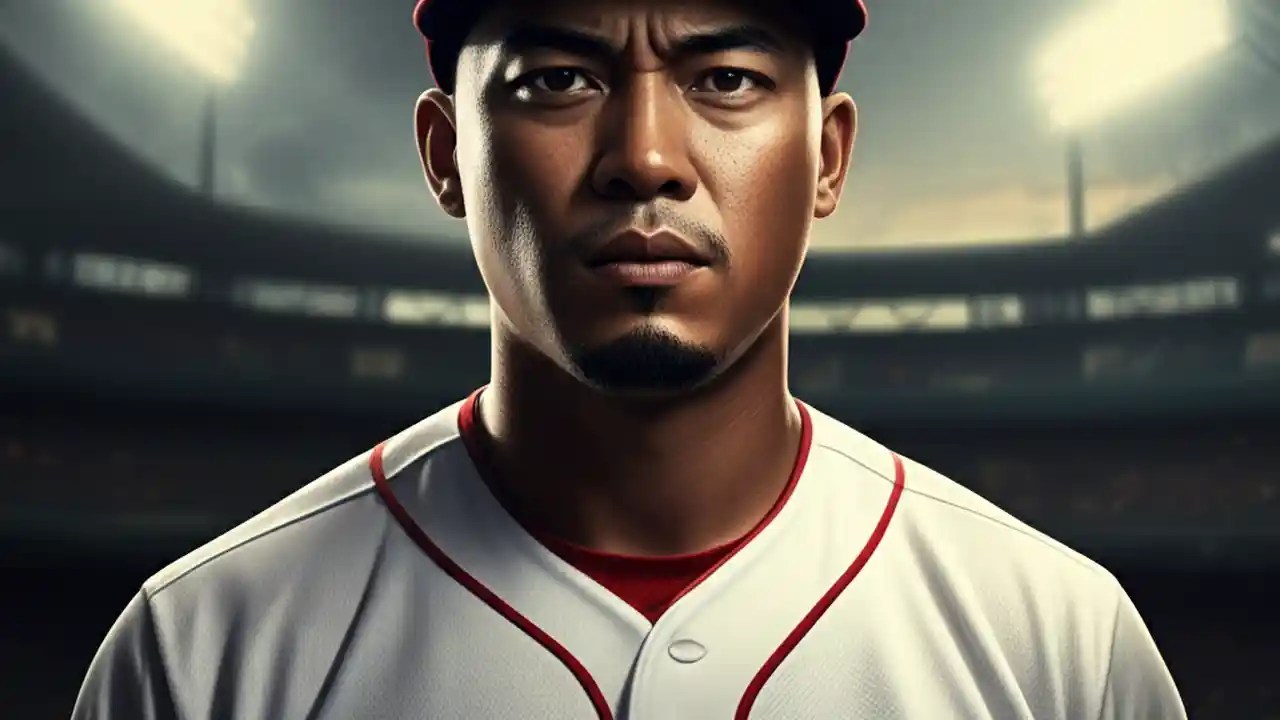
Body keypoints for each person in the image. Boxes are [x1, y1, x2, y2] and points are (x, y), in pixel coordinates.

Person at [72, 0, 1188, 717]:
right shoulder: (201, 650)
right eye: (558, 79)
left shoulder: (1058, 645)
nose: (645, 158)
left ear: (827, 157)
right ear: (444, 154)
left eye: (727, 78)